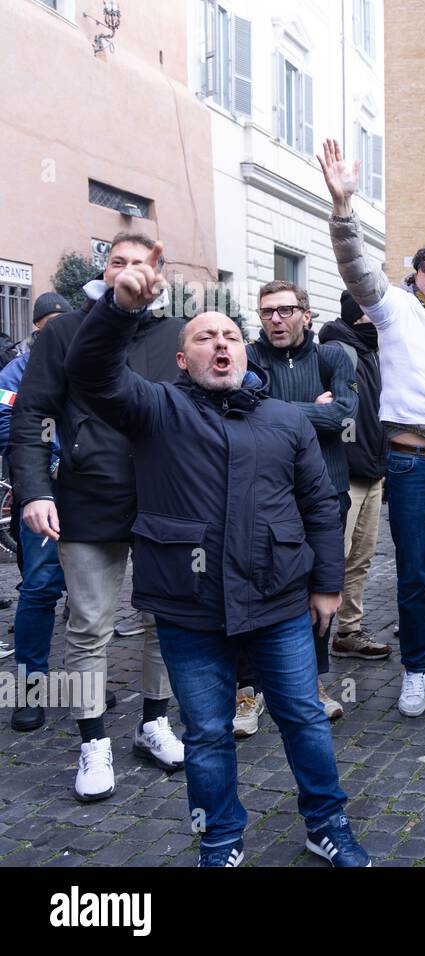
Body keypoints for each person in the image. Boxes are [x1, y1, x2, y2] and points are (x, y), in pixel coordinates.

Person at [63, 244, 368, 866]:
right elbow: (91, 375)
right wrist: (119, 312)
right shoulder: (156, 408)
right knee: (206, 733)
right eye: (205, 337)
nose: (221, 344)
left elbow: (318, 505)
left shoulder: (287, 420)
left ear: (245, 349)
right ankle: (221, 837)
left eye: (231, 334)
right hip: (188, 608)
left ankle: (326, 822)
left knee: (304, 720)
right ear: (183, 358)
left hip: (281, 602)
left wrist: (328, 586)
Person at [320, 137, 425, 715]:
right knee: (415, 573)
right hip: (413, 462)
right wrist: (344, 209)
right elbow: (356, 270)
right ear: (414, 276)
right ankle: (416, 665)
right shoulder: (395, 309)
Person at [10, 232, 183, 801]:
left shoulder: (176, 334)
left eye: (141, 262)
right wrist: (36, 489)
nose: (129, 270)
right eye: (118, 261)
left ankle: (154, 723)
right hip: (87, 496)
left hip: (164, 500)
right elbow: (32, 412)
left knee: (168, 619)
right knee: (89, 627)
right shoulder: (62, 331)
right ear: (101, 271)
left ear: (159, 274)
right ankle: (93, 743)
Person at [245, 280, 359, 721]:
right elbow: (240, 411)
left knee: (322, 587)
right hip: (264, 494)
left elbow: (345, 414)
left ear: (306, 315)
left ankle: (311, 679)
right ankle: (248, 688)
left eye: (286, 310)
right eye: (267, 311)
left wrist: (277, 409)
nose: (276, 319)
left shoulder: (331, 355)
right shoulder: (250, 356)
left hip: (325, 491)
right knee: (255, 585)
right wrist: (310, 410)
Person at [0, 293, 71, 731]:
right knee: (41, 586)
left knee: (90, 593)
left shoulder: (88, 362)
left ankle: (85, 676)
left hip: (92, 494)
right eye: (52, 325)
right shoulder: (17, 371)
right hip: (42, 492)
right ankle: (31, 688)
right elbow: (6, 426)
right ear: (38, 328)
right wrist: (52, 461)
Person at [318, 292, 392, 662]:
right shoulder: (336, 349)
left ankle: (348, 630)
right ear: (358, 314)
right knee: (334, 559)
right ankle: (315, 644)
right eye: (370, 309)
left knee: (360, 558)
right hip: (343, 474)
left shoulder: (373, 350)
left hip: (373, 471)